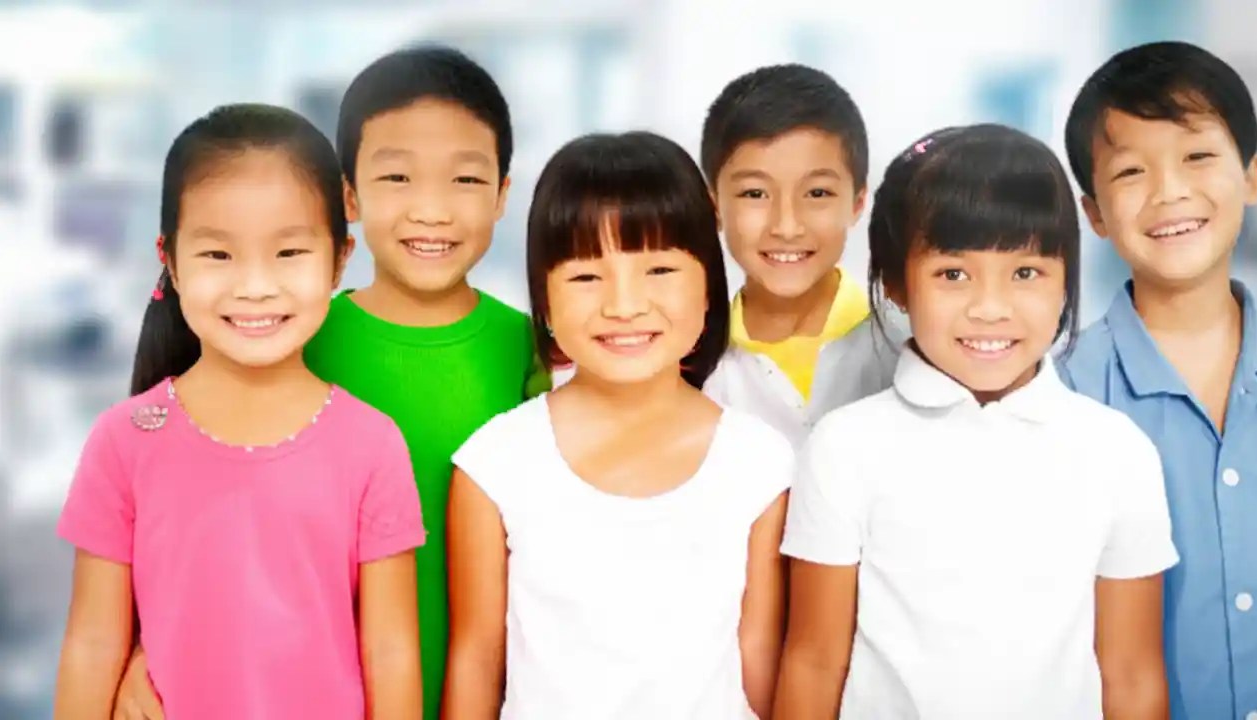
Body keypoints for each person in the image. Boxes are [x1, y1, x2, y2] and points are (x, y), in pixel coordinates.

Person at [774, 125, 1179, 719]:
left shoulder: (1116, 451)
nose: (990, 309)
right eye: (953, 275)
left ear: (1066, 277)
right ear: (895, 284)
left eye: (1025, 274)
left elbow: (1132, 674)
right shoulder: (847, 446)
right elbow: (813, 661)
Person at [55, 104, 425, 720]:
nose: (255, 286)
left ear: (338, 259)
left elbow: (389, 652)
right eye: (218, 256)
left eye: (288, 254)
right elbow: (93, 644)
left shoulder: (372, 445)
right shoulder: (124, 442)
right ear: (169, 261)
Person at [442, 131, 792, 719]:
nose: (624, 304)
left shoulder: (757, 460)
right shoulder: (497, 464)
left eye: (658, 270)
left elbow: (757, 653)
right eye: (586, 277)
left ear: (708, 287)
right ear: (545, 302)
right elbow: (477, 658)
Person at [1060, 40, 1257, 720]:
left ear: (1252, 176)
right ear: (1093, 213)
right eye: (1130, 172)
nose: (1170, 191)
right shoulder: (1060, 398)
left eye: (1198, 156)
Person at [699, 64, 901, 447]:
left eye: (817, 193)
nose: (787, 226)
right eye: (755, 194)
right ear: (714, 207)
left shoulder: (907, 346)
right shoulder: (694, 365)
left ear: (858, 202)